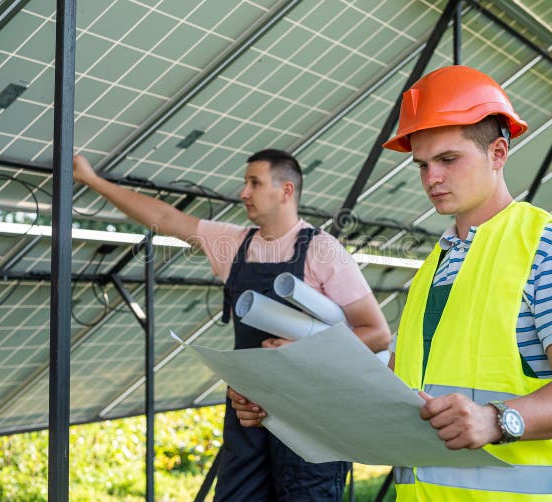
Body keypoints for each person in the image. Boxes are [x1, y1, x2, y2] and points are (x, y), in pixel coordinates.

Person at [72, 149, 390, 501]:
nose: (244, 193)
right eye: (245, 183)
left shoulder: (322, 251)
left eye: (254, 183)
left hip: (311, 417)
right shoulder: (233, 245)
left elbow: (375, 334)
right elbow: (164, 216)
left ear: (286, 191)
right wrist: (93, 180)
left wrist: (301, 351)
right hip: (248, 412)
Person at [381, 66, 552, 500]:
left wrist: (496, 419)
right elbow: (393, 392)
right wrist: (284, 403)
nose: (432, 178)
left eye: (448, 159)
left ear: (499, 153)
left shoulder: (550, 248)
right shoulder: (432, 267)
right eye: (423, 165)